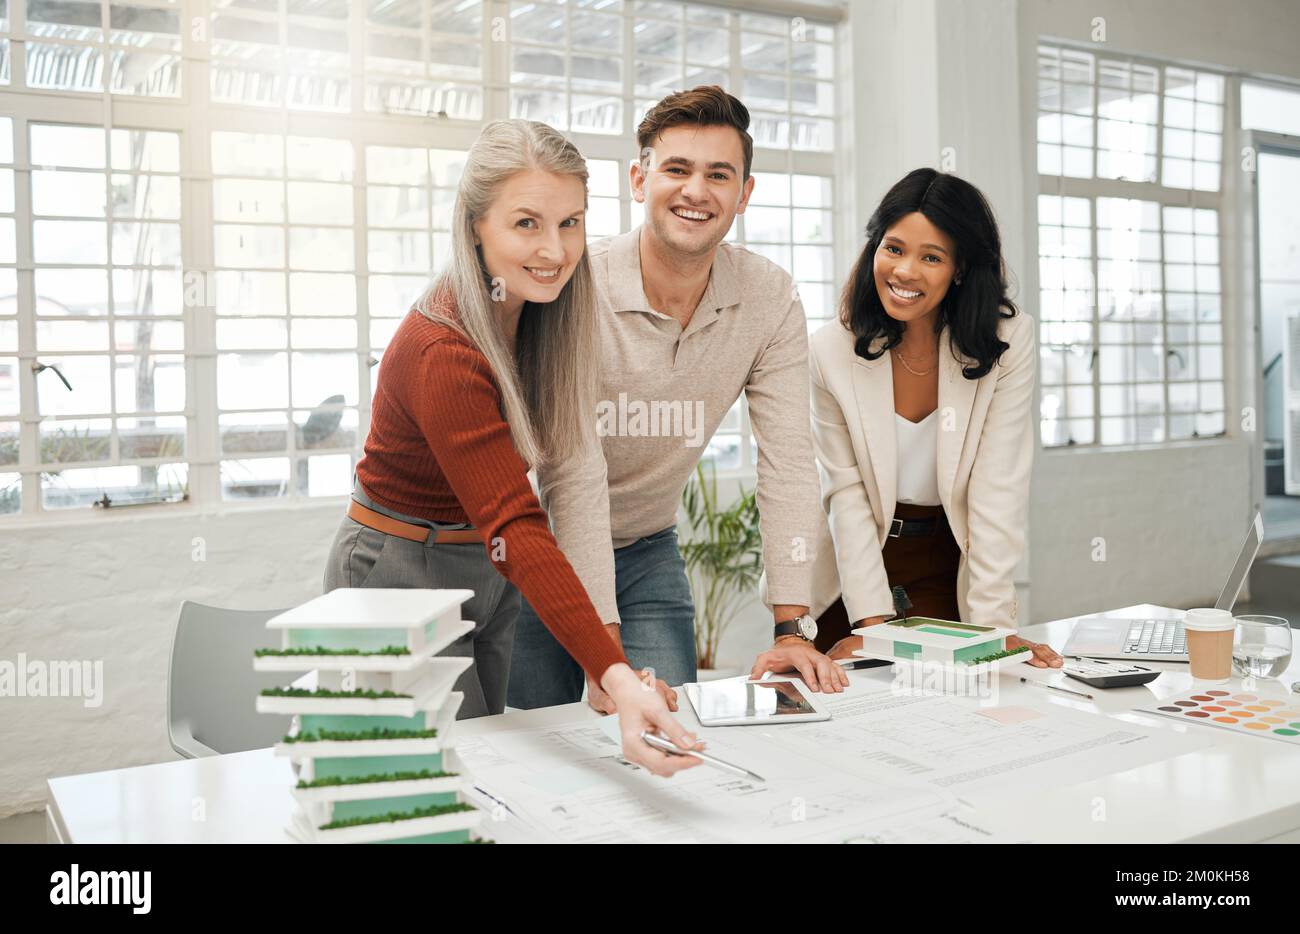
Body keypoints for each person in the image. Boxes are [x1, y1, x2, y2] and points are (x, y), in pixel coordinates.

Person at [323, 119, 701, 776]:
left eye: (570, 223)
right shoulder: (442, 351)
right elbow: (514, 522)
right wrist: (614, 673)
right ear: (475, 226)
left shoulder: (542, 315)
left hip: (483, 573)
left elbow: (571, 471)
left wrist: (603, 658)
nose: (554, 250)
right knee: (412, 786)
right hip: (398, 570)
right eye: (526, 223)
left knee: (486, 771)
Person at [508, 86, 849, 711]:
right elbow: (572, 471)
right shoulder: (574, 284)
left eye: (719, 175)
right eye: (677, 169)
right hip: (536, 547)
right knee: (542, 744)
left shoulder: (769, 299)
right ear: (640, 179)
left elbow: (790, 464)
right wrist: (604, 654)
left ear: (744, 195)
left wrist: (792, 627)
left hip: (647, 548)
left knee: (670, 726)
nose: (697, 191)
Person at [753, 167, 1062, 676]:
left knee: (955, 706)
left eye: (932, 257)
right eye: (893, 248)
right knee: (844, 714)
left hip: (946, 560)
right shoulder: (831, 349)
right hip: (852, 574)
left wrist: (991, 630)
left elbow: (998, 489)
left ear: (960, 268)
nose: (905, 271)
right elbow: (846, 494)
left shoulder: (1008, 340)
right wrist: (873, 628)